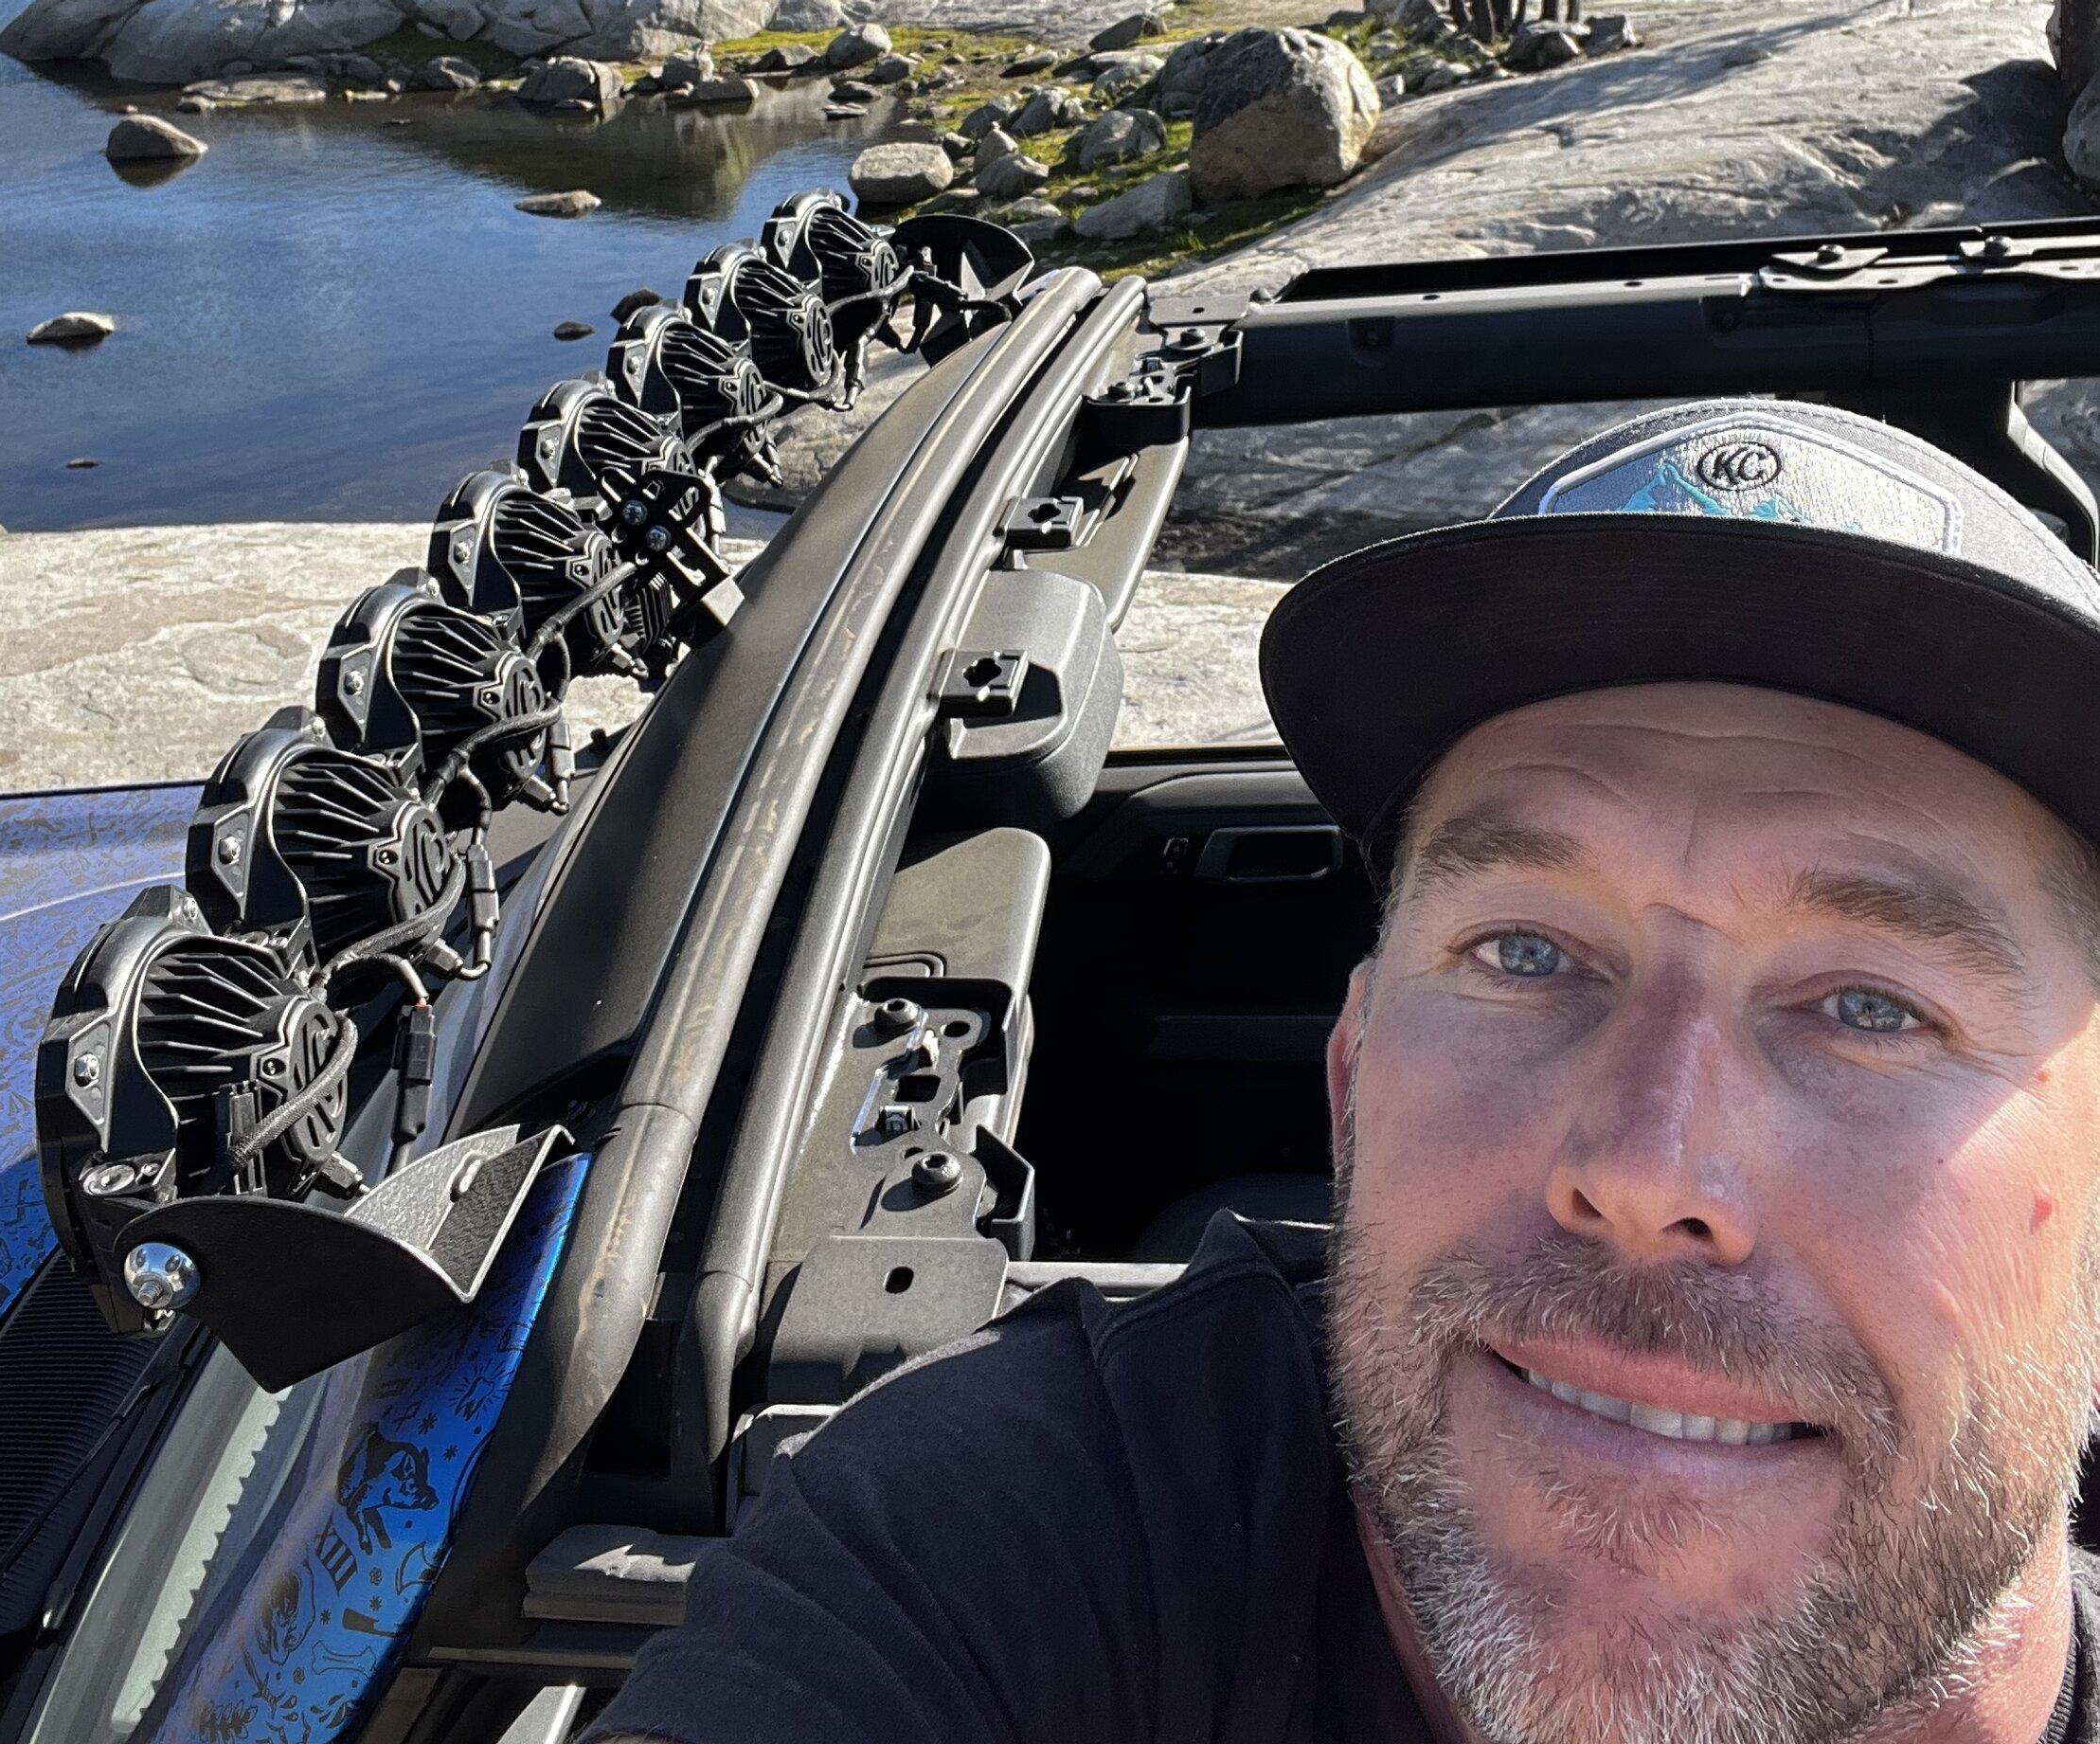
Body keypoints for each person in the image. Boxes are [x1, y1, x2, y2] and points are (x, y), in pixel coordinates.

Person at [595, 399, 2100, 1744]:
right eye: (1523, 951)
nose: (1644, 1171)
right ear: (1349, 1074)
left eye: (1870, 1005)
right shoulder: (1012, 1538)